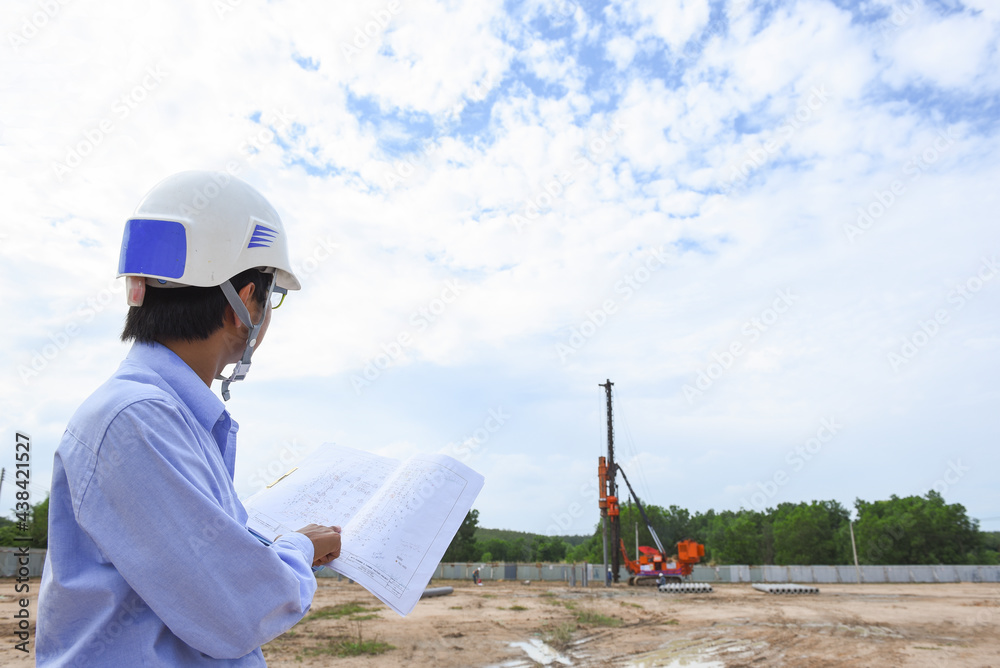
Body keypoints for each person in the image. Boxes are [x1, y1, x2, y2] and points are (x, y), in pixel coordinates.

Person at [36, 171, 343, 666]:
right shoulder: (137, 422)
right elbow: (241, 611)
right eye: (272, 297)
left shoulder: (162, 417)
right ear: (244, 303)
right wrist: (296, 551)